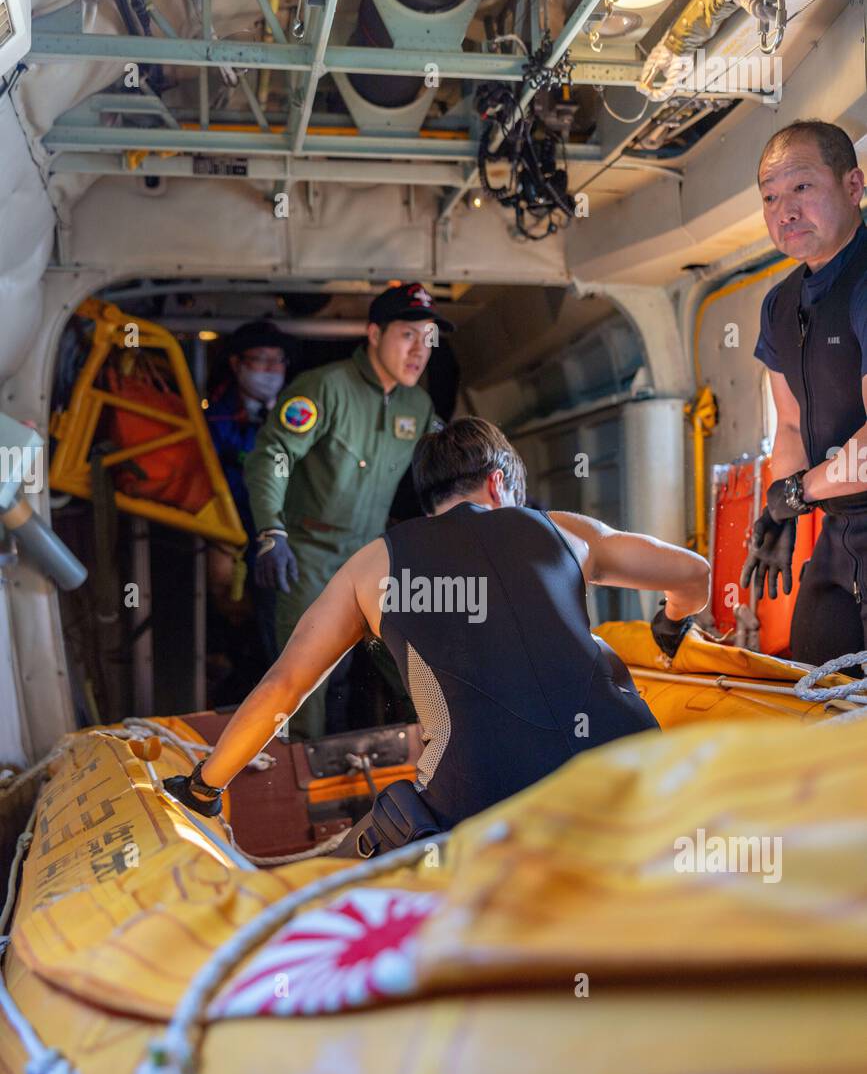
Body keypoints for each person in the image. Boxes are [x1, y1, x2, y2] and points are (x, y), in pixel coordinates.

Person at [165, 419, 710, 857]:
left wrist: (204, 788)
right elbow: (695, 575)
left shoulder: (371, 567)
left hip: (484, 812)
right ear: (500, 483)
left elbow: (283, 688)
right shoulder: (567, 530)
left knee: (383, 832)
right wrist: (672, 621)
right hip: (637, 777)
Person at [242, 283, 451, 740]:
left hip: (372, 556)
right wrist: (271, 532)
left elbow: (448, 469)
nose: (420, 350)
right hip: (309, 553)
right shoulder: (323, 388)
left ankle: (446, 768)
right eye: (408, 336)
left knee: (416, 662)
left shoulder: (418, 405)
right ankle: (303, 794)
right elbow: (271, 456)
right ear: (374, 334)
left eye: (429, 338)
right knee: (305, 680)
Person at [741, 119, 867, 666]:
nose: (784, 209)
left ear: (853, 186)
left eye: (802, 187)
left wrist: (798, 494)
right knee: (811, 676)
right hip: (840, 527)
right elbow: (788, 424)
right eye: (770, 196)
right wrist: (782, 509)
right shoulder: (779, 304)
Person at [205, 320, 295, 673]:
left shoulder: (299, 411)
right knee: (231, 605)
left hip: (283, 532)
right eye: (260, 360)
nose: (271, 370)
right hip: (228, 527)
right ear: (236, 364)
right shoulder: (215, 416)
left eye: (278, 361)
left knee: (279, 613)